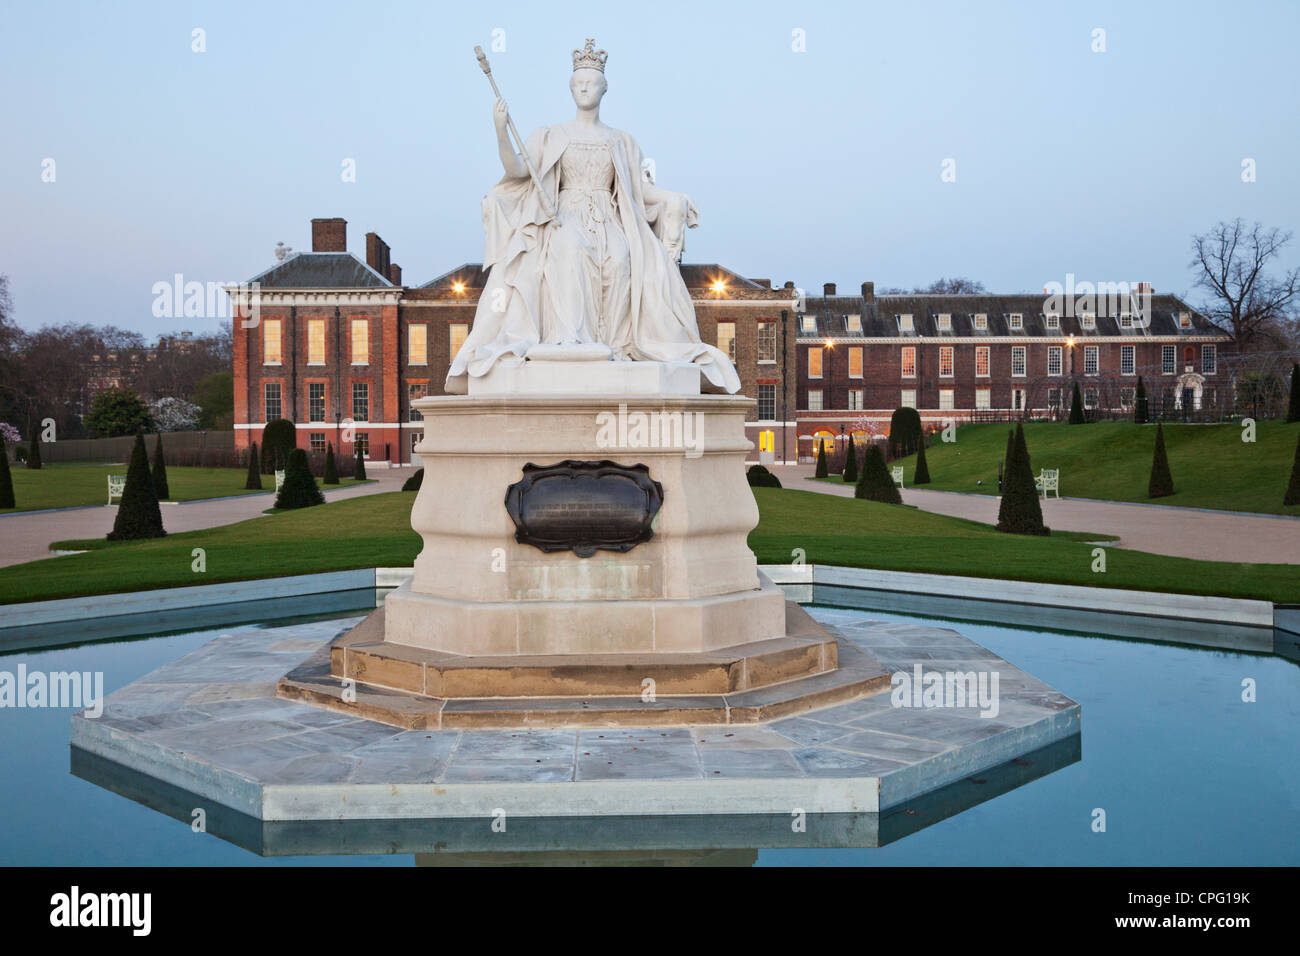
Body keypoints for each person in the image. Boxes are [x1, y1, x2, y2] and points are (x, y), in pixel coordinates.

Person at [446, 39, 740, 394]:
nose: (584, 87)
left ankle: (614, 346)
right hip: (562, 214)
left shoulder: (622, 141)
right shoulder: (552, 134)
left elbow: (639, 192)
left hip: (610, 218)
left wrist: (674, 198)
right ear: (571, 89)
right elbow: (517, 170)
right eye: (578, 83)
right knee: (569, 249)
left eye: (591, 82)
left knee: (621, 258)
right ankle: (571, 340)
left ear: (604, 88)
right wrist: (500, 129)